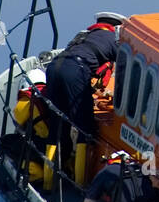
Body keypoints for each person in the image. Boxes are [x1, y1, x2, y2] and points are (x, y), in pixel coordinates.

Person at [44, 12, 124, 157]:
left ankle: (49, 175)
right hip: (75, 69)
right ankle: (80, 176)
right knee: (84, 125)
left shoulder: (83, 35)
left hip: (54, 67)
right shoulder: (113, 39)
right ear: (117, 28)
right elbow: (125, 67)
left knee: (57, 124)